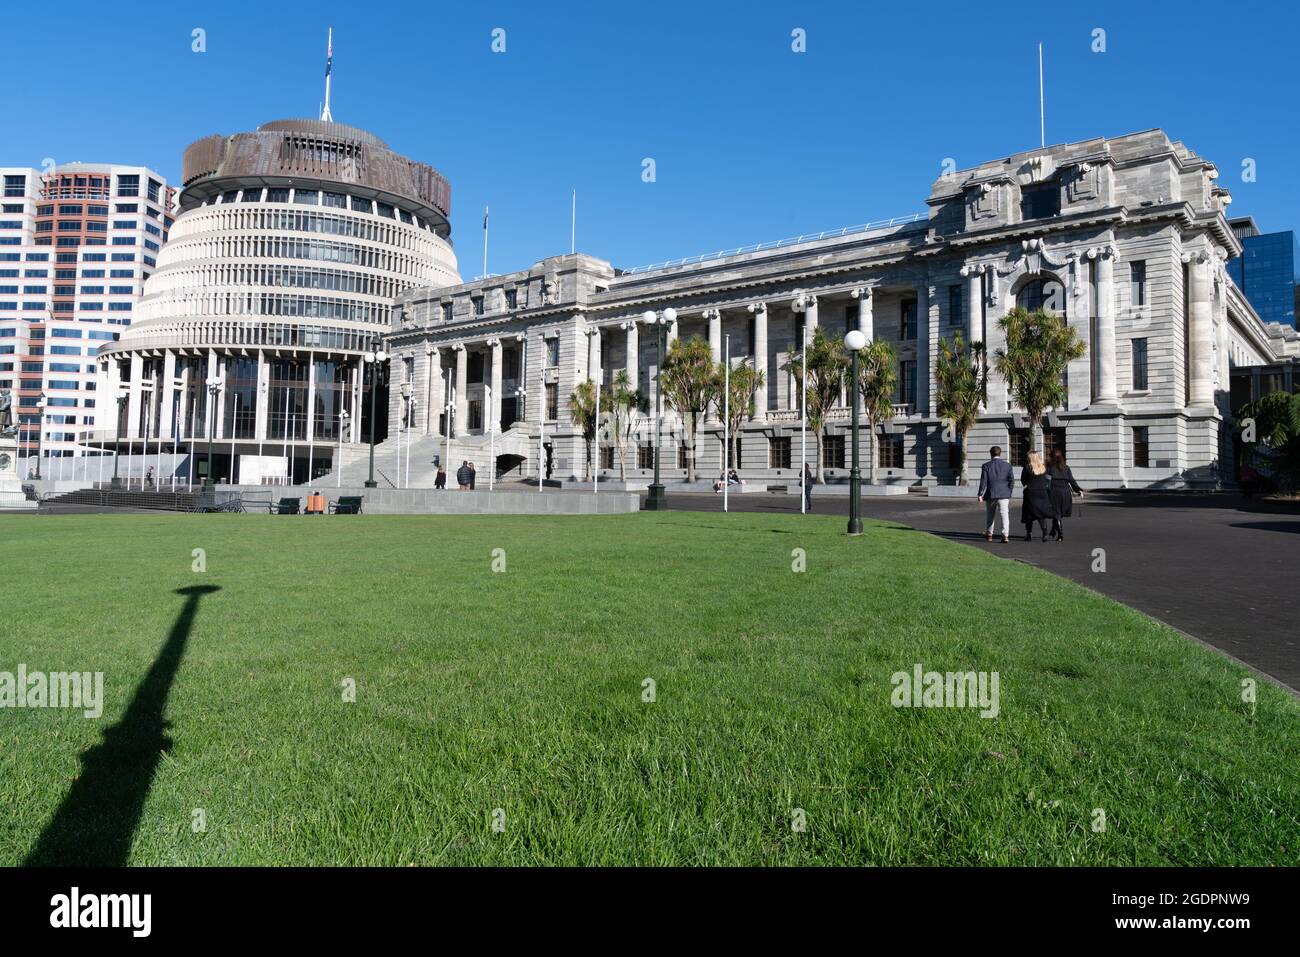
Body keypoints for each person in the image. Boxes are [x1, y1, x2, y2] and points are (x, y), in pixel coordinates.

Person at [976, 446, 1015, 543]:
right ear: (1000, 453)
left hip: (991, 493)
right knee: (1004, 515)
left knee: (990, 514)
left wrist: (980, 494)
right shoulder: (1007, 465)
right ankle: (1005, 535)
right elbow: (1012, 481)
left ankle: (989, 534)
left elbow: (983, 481)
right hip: (1004, 494)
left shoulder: (986, 465)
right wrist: (1009, 492)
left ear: (991, 453)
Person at [1047, 450, 1084, 541]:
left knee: (1056, 513)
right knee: (1059, 513)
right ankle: (1053, 530)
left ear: (1052, 458)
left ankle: (1060, 534)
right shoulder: (1066, 467)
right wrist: (1079, 490)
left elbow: (1046, 482)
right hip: (1065, 492)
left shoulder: (1049, 468)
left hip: (1054, 491)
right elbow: (1072, 480)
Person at [1019, 451, 1053, 541]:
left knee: (1029, 514)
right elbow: (1048, 479)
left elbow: (1023, 480)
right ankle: (1045, 533)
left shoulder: (1027, 467)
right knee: (1041, 514)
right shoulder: (1043, 467)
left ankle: (1029, 534)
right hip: (1042, 492)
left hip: (1031, 492)